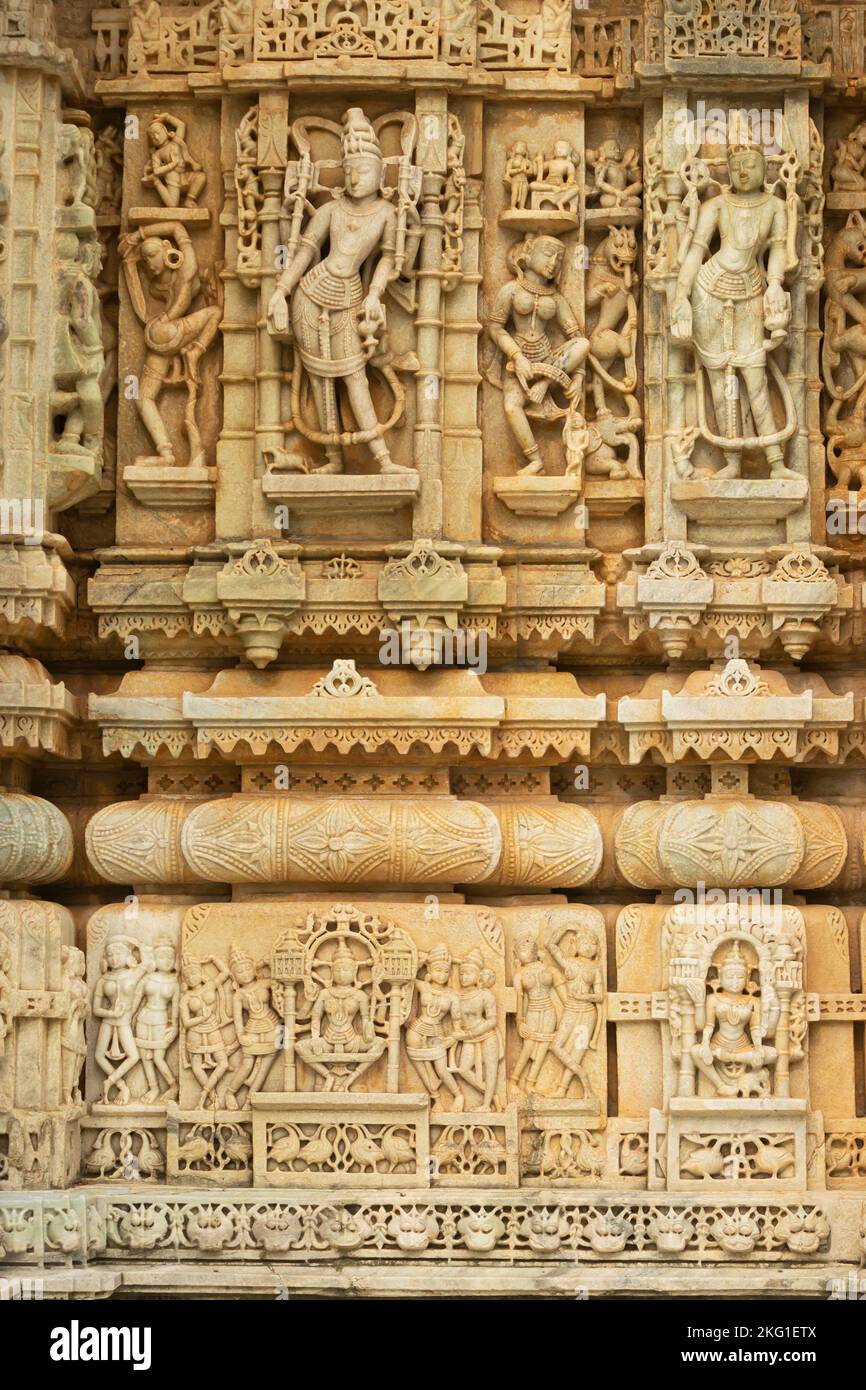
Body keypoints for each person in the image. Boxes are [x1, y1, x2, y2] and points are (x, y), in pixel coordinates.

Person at [671, 142, 795, 479]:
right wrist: (681, 298)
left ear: (763, 169)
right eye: (736, 165)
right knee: (721, 380)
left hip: (752, 291)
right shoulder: (716, 205)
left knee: (754, 376)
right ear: (727, 170)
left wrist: (775, 283)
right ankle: (733, 462)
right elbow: (697, 252)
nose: (742, 172)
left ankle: (776, 462)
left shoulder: (776, 206)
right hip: (709, 291)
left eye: (750, 165)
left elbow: (779, 250)